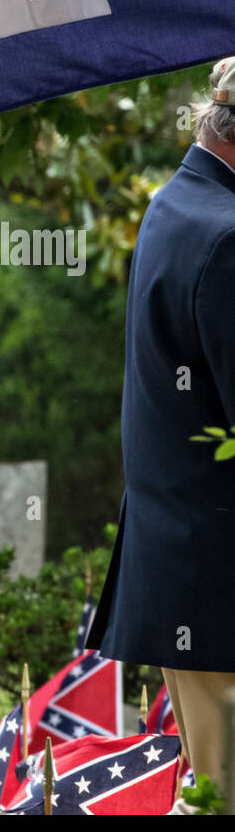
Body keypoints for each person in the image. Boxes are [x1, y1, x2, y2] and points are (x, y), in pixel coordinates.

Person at [87, 56, 235, 791]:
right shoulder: (228, 234)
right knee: (219, 794)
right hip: (218, 586)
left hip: (189, 571)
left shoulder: (178, 204)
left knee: (209, 791)